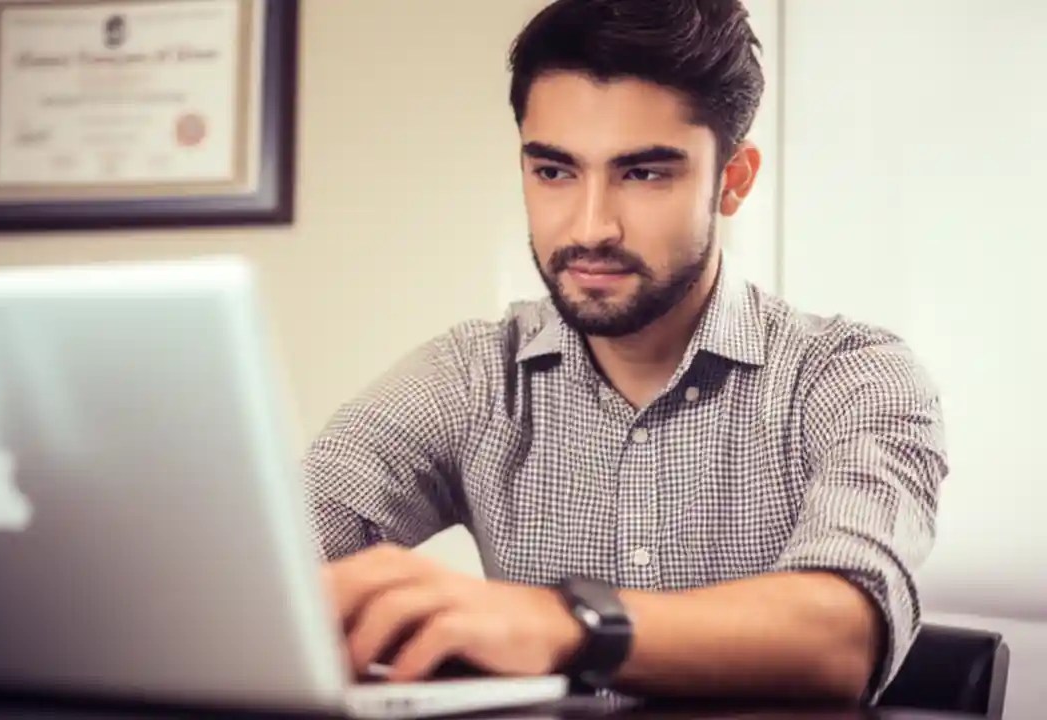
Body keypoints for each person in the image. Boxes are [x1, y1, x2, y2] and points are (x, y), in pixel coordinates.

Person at [303, 0, 946, 703]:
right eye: (554, 172)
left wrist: (566, 622)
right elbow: (265, 565)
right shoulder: (471, 376)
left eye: (643, 174)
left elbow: (841, 638)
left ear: (733, 180)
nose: (590, 226)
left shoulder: (853, 377)